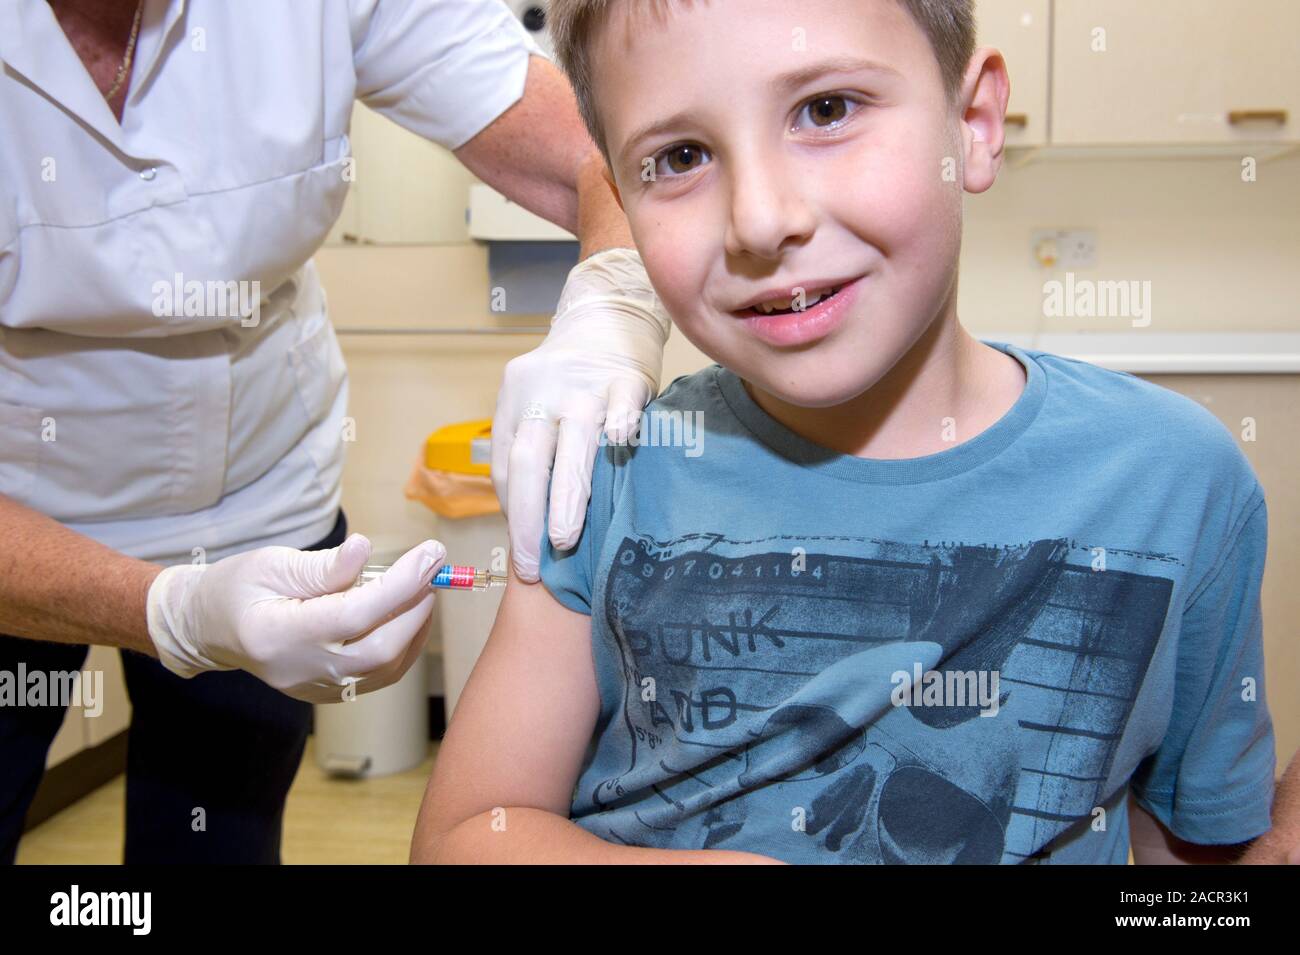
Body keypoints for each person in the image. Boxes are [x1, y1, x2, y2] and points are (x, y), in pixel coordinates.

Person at [411, 0, 1284, 863]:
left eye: (826, 110)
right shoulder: (613, 466)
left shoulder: (1174, 480)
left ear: (974, 124)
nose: (759, 219)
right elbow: (464, 834)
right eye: (680, 157)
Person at [0, 0, 669, 863]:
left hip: (259, 490)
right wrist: (175, 611)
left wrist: (613, 304)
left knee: (213, 843)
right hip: (22, 498)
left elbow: (602, 154)